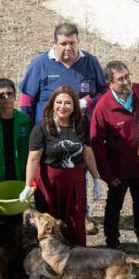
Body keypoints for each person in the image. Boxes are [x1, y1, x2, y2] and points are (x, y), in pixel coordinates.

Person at [19, 22, 107, 234]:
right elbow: (27, 99)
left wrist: (89, 102)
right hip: (48, 135)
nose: (68, 48)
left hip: (77, 131)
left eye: (73, 43)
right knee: (48, 179)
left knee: (77, 175)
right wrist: (30, 129)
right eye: (64, 43)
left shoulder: (90, 62)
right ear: (54, 43)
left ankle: (79, 215)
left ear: (79, 42)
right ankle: (46, 222)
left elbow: (104, 92)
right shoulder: (40, 63)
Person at [19, 86, 100, 246]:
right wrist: (28, 186)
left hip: (74, 181)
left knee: (75, 221)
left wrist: (96, 178)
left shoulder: (81, 124)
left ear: (75, 106)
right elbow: (33, 159)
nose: (63, 107)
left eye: (68, 103)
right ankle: (51, 260)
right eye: (59, 102)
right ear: (52, 104)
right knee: (50, 223)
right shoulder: (42, 127)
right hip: (49, 183)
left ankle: (76, 260)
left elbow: (88, 153)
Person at [90, 60, 139, 249]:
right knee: (114, 206)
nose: (127, 82)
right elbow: (97, 144)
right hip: (119, 171)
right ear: (109, 83)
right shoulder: (103, 107)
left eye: (128, 77)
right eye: (120, 79)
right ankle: (112, 242)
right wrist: (108, 174)